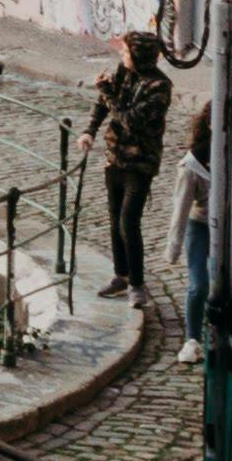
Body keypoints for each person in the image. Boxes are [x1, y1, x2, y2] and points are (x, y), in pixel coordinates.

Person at [87, 26, 170, 300]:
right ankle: (120, 275)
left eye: (126, 50)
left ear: (138, 55)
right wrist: (89, 130)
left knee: (129, 220)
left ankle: (137, 283)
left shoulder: (159, 87)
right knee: (114, 219)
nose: (121, 54)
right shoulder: (123, 73)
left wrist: (107, 93)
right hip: (115, 158)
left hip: (140, 162)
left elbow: (129, 120)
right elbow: (103, 104)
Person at [165, 106, 214, 367]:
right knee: (199, 285)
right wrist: (172, 250)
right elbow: (180, 209)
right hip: (201, 226)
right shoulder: (192, 165)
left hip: (230, 228)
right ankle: (192, 339)